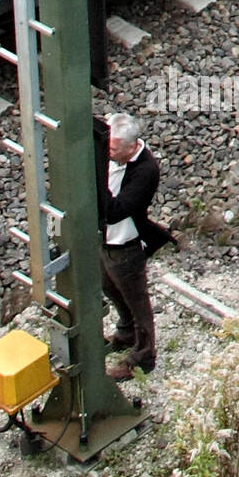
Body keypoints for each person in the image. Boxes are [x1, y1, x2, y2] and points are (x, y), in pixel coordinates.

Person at [100, 112, 173, 381]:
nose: (108, 153)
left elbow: (116, 210)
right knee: (109, 286)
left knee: (137, 299)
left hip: (125, 245)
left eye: (114, 149)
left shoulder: (145, 172)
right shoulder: (115, 153)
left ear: (132, 147)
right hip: (104, 240)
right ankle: (126, 331)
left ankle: (144, 356)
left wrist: (95, 181)